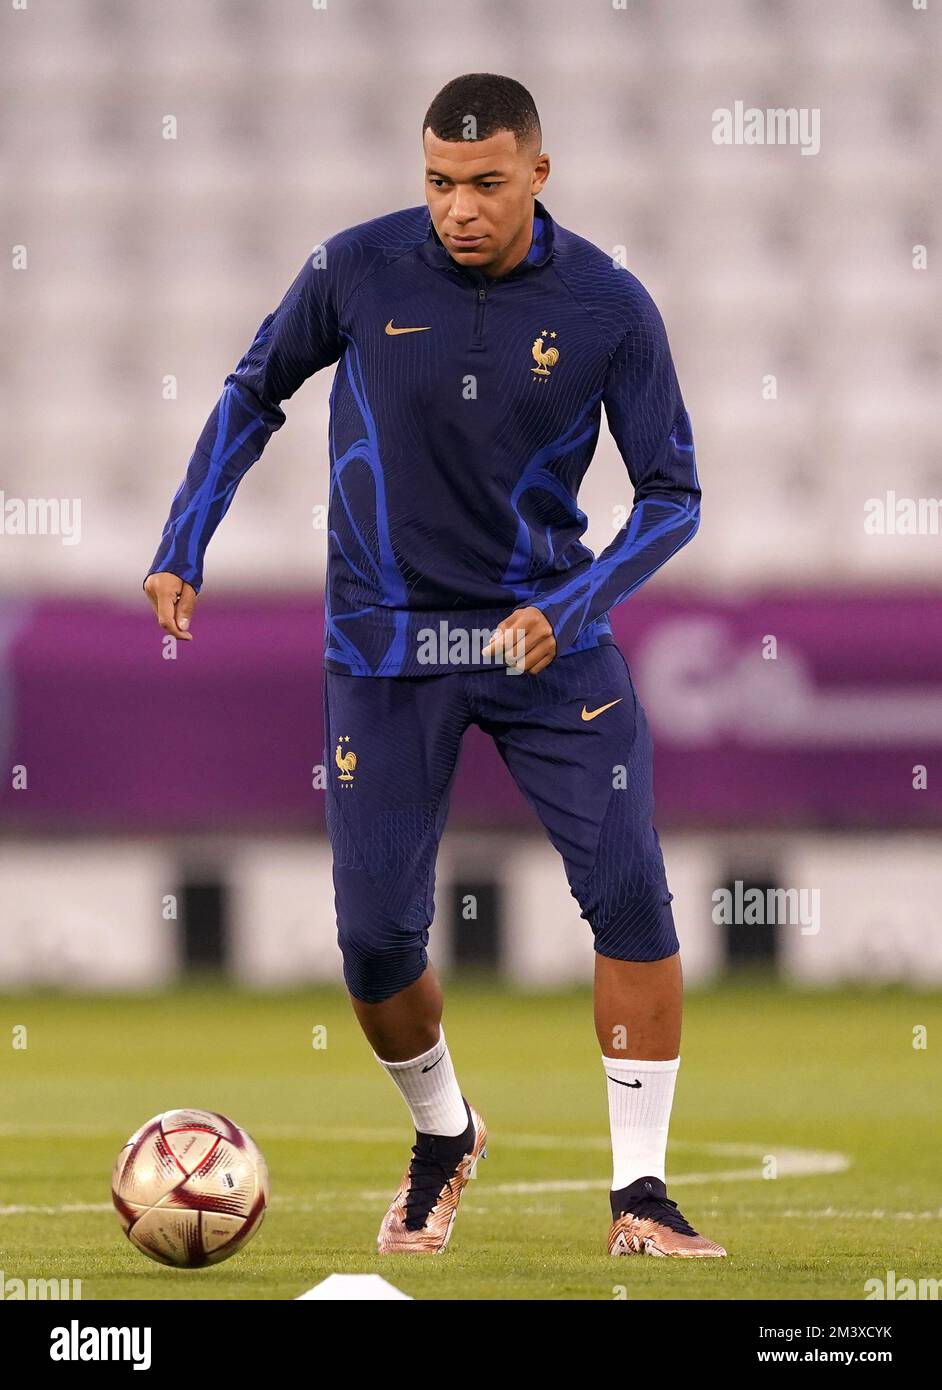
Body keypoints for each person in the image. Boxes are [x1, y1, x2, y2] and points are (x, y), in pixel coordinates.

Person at [144, 72, 724, 1259]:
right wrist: (181, 540)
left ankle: (642, 1195)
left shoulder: (611, 306)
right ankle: (445, 1135)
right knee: (373, 944)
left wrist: (572, 605)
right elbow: (256, 389)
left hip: (547, 645)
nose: (458, 208)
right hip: (385, 644)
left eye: (485, 184)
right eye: (440, 183)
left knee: (628, 893)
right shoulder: (356, 269)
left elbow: (673, 499)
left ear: (539, 177)